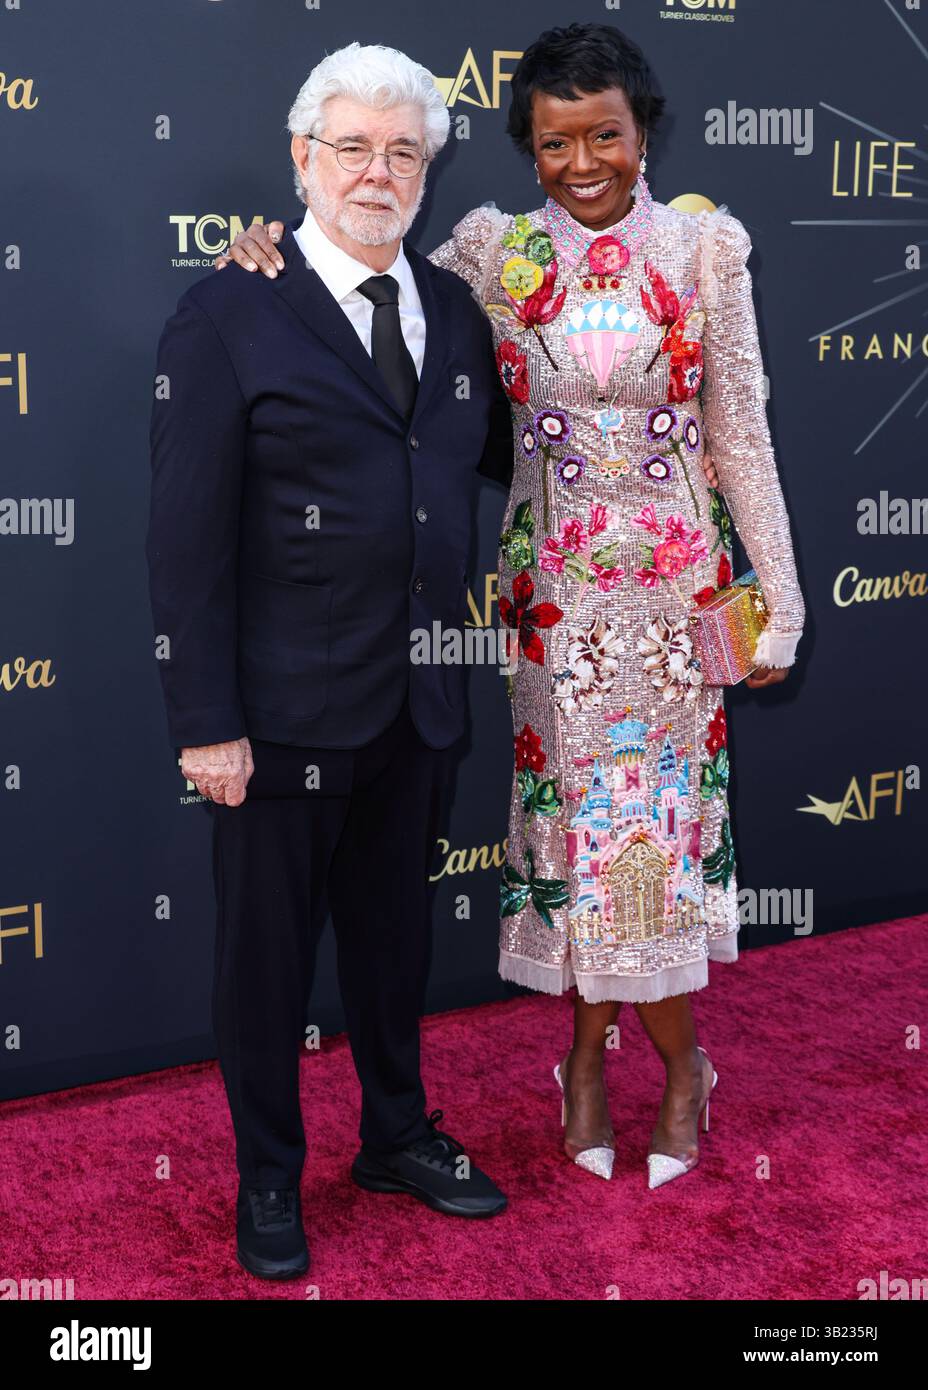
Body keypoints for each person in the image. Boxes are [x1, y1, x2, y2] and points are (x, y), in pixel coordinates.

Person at [221, 21, 805, 1191]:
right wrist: (266, 251)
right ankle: (582, 1055)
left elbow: (740, 432)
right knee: (580, 835)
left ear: (646, 135)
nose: (582, 161)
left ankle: (679, 1067)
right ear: (524, 150)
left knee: (655, 842)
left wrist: (777, 602)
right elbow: (363, 271)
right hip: (548, 609)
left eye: (606, 136)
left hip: (674, 604)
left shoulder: (702, 255)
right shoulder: (490, 258)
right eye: (553, 142)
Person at [147, 42, 512, 1282]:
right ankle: (266, 1176)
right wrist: (207, 719)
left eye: (403, 151)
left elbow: (486, 470)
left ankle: (397, 1135)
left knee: (393, 944)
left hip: (417, 702)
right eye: (350, 146)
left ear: (428, 170)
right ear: (301, 160)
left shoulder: (457, 314)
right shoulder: (224, 311)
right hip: (278, 713)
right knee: (264, 962)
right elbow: (184, 537)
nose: (377, 171)